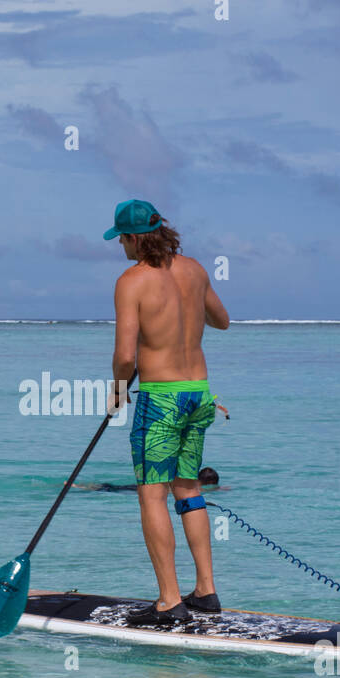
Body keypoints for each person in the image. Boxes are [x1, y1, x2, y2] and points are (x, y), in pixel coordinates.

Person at [103, 199, 230, 625]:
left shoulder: (131, 281)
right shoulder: (194, 270)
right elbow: (222, 320)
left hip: (161, 399)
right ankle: (206, 590)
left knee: (151, 494)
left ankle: (169, 600)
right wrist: (186, 308)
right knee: (189, 489)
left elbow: (124, 355)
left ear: (135, 237)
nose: (120, 245)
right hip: (199, 394)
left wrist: (119, 390)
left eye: (121, 237)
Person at [68, 467, 222, 493]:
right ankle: (78, 487)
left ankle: (78, 485)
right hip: (143, 491)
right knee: (110, 489)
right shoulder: (194, 488)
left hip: (143, 486)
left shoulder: (188, 480)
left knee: (113, 488)